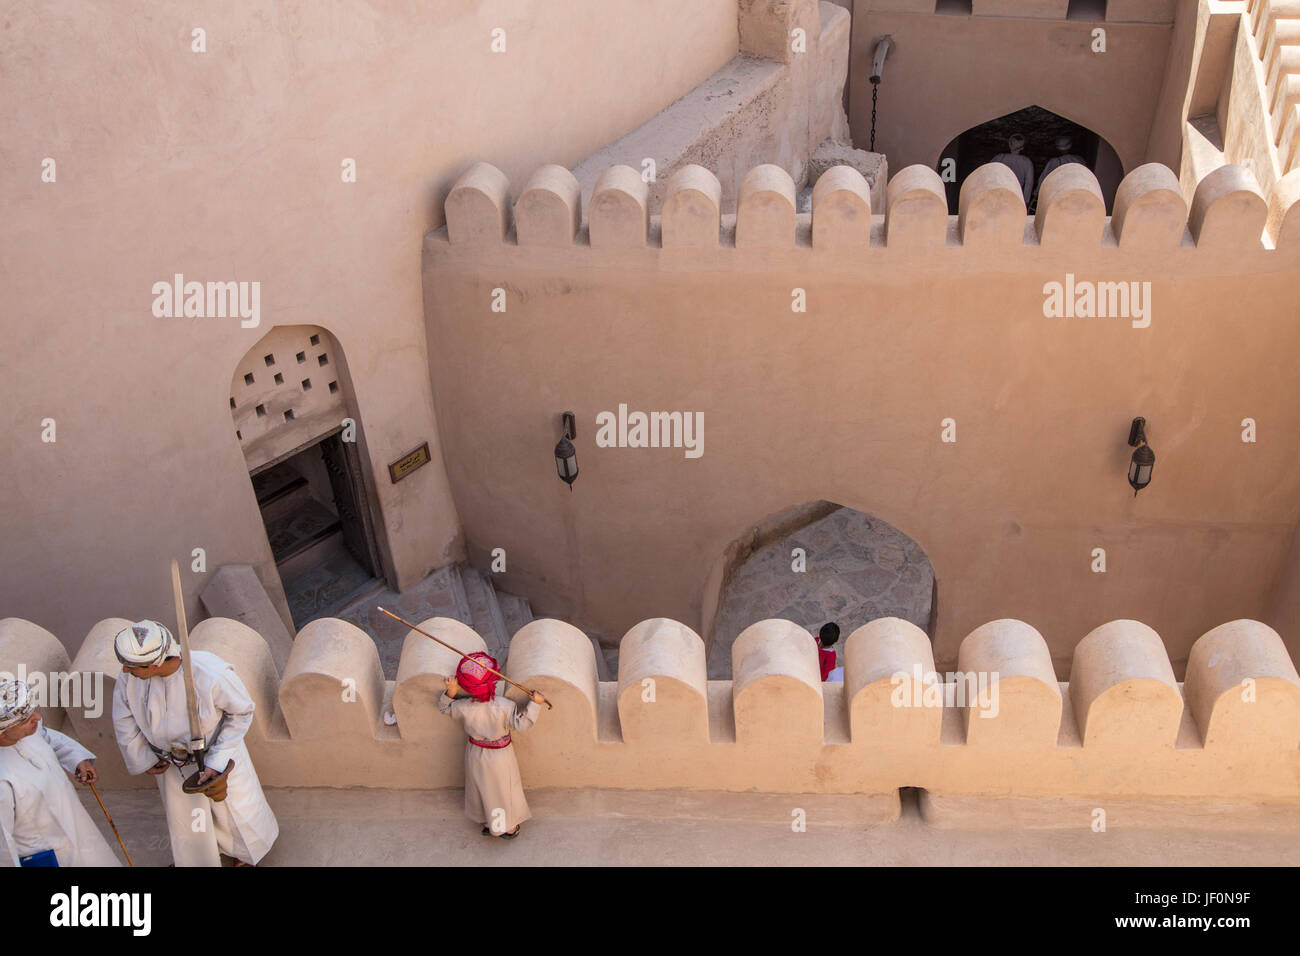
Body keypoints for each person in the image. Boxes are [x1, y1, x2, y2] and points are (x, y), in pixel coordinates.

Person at [111, 619, 278, 866]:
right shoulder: (131, 677)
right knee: (187, 820)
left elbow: (241, 712)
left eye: (133, 666)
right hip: (171, 763)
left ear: (156, 663)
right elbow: (123, 716)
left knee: (234, 812)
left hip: (217, 752)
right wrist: (143, 757)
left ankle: (245, 856)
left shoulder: (210, 673)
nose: (125, 671)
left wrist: (217, 760)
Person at [0, 679, 122, 867]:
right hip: (46, 856)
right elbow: (3, 845)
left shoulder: (29, 733)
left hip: (78, 828)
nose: (37, 717)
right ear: (3, 732)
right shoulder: (3, 780)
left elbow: (49, 737)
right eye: (26, 719)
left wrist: (77, 760)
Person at [437, 652, 546, 839]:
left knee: (482, 788)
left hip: (475, 753)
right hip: (500, 756)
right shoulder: (505, 706)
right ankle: (506, 827)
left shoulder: (463, 707)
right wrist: (535, 704)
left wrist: (452, 691)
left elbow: (444, 708)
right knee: (502, 791)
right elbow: (523, 724)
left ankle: (488, 822)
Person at [1033, 135, 1087, 207]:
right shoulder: (1080, 160)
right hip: (1076, 194)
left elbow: (1044, 178)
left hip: (1058, 194)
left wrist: (1037, 193)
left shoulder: (1054, 162)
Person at [991, 132, 1035, 204]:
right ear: (1022, 147)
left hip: (999, 195)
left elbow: (988, 175)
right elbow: (1029, 183)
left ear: (1009, 144)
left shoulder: (999, 158)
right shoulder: (1027, 161)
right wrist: (1025, 201)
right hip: (1016, 197)